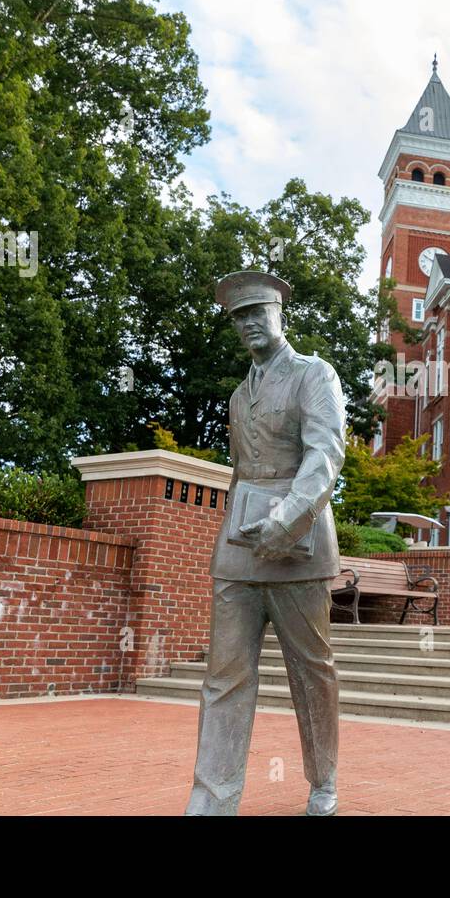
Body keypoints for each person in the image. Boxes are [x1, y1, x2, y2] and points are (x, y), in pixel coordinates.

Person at [184, 270, 346, 817]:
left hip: (300, 545)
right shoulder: (237, 395)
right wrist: (239, 530)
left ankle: (322, 780)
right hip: (239, 546)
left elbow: (324, 456)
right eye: (238, 316)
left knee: (311, 671)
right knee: (224, 674)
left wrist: (288, 519)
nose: (249, 323)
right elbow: (239, 473)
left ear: (280, 313)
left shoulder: (313, 375)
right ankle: (213, 800)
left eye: (258, 311)